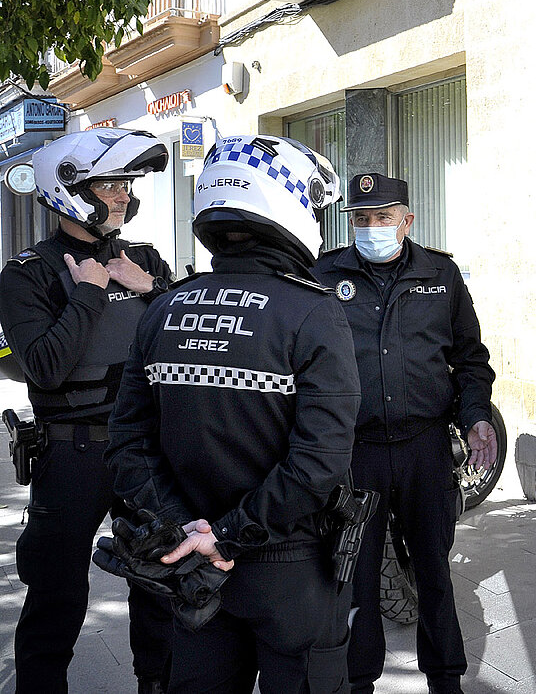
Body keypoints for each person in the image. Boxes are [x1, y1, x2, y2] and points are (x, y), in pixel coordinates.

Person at [105, 134, 361, 690]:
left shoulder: (164, 307)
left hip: (192, 566)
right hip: (287, 566)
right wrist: (227, 535)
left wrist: (187, 528)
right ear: (287, 204)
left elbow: (127, 444)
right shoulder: (313, 312)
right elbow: (320, 463)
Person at [0, 129, 174, 694]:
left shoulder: (144, 261)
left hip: (147, 450)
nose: (123, 195)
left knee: (160, 591)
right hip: (73, 453)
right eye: (110, 183)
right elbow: (45, 368)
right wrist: (89, 295)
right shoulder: (26, 274)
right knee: (56, 599)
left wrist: (149, 289)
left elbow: (186, 344)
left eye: (126, 183)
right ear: (69, 189)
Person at [312, 173, 497, 694]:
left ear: (407, 221)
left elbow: (470, 358)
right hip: (356, 453)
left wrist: (476, 415)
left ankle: (445, 678)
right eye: (362, 219)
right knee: (356, 576)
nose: (372, 228)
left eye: (383, 218)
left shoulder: (441, 273)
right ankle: (359, 680)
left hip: (425, 449)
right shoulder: (324, 275)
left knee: (433, 570)